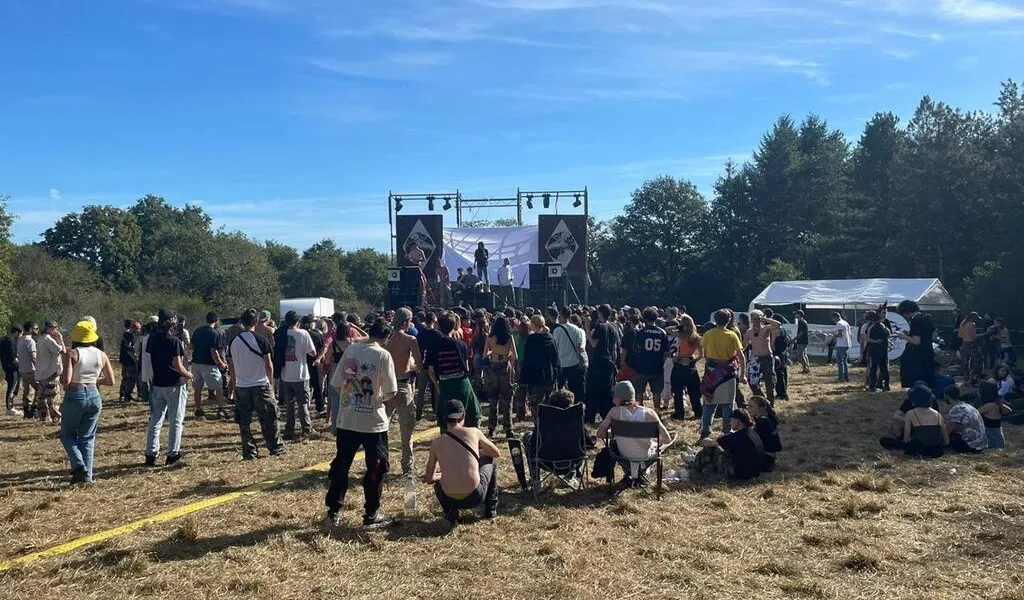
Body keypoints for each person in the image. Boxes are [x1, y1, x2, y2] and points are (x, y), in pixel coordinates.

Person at [323, 318, 397, 529]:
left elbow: (336, 384)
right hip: (373, 422)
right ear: (386, 337)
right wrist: (375, 399)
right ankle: (371, 512)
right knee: (376, 467)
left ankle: (333, 511)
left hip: (347, 419)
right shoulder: (383, 354)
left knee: (341, 466)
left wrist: (351, 398)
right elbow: (391, 391)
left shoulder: (351, 350)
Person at [422, 399, 501, 527]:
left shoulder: (436, 443)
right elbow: (495, 453)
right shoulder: (474, 432)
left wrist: (441, 475)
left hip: (449, 498)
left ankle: (450, 513)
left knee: (438, 481)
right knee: (491, 461)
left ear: (445, 419)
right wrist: (476, 453)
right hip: (475, 496)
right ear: (463, 416)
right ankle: (491, 509)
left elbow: (429, 478)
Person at [59, 321, 115, 483]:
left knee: (67, 434)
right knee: (87, 437)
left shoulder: (72, 353)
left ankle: (78, 465)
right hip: (94, 394)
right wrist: (97, 382)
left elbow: (67, 381)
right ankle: (87, 477)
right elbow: (111, 381)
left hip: (76, 394)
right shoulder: (101, 354)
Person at [229, 308, 284, 460]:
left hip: (242, 386)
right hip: (260, 384)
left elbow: (232, 368)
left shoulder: (234, 342)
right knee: (269, 419)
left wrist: (233, 386)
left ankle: (249, 452)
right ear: (255, 322)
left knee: (244, 422)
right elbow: (268, 365)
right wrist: (271, 383)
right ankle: (275, 448)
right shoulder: (261, 340)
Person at [596, 381, 672, 483]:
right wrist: (650, 439)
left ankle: (629, 473)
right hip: (644, 456)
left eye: (614, 397)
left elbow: (599, 434)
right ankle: (642, 473)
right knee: (655, 446)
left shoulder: (614, 412)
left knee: (614, 444)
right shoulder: (650, 413)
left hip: (623, 456)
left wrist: (618, 435)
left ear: (619, 397)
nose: (613, 401)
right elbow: (667, 439)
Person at [145, 310, 194, 467]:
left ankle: (151, 454)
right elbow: (177, 365)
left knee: (156, 420)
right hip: (174, 384)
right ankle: (172, 454)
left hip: (158, 383)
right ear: (173, 324)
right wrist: (189, 375)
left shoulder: (152, 339)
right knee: (176, 421)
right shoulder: (174, 342)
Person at [427, 312, 481, 429]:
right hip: (462, 382)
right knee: (470, 416)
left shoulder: (433, 345)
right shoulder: (460, 344)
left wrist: (437, 387)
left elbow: (431, 371)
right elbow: (466, 367)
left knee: (446, 417)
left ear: (439, 326)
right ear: (454, 326)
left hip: (445, 383)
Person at [384, 308, 421, 477]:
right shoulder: (410, 339)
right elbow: (419, 366)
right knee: (407, 430)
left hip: (385, 386)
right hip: (403, 386)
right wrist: (410, 364)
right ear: (407, 321)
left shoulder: (385, 338)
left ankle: (382, 462)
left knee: (381, 427)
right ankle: (407, 467)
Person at [700, 310, 747, 439]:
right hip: (728, 373)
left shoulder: (708, 334)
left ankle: (705, 432)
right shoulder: (732, 335)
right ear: (729, 320)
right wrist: (743, 374)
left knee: (709, 404)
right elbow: (741, 356)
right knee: (728, 406)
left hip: (711, 372)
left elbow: (704, 354)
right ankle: (727, 432)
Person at [694, 408, 764, 481]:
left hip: (741, 474)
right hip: (754, 472)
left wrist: (706, 439)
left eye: (731, 420)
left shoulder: (736, 436)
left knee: (711, 448)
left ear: (737, 421)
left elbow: (706, 443)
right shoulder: (752, 433)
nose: (730, 423)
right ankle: (697, 463)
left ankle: (694, 465)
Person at [882, 382, 946, 457]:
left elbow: (906, 439)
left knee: (885, 441)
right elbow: (946, 440)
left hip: (920, 449)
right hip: (937, 451)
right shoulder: (938, 414)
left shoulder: (911, 413)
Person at [281, 311, 317, 439]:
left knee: (289, 404)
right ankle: (306, 428)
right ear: (298, 322)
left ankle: (289, 428)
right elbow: (312, 352)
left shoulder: (281, 333)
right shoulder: (303, 333)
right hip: (300, 373)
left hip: (285, 373)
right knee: (303, 403)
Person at [629, 307, 670, 410]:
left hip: (642, 367)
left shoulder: (640, 332)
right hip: (657, 367)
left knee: (639, 392)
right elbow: (666, 352)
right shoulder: (662, 333)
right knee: (657, 392)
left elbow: (635, 349)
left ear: (645, 319)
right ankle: (656, 411)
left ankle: (640, 412)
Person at [191, 312, 229, 420]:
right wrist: (221, 363)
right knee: (218, 387)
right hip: (209, 364)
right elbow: (214, 351)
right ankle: (220, 409)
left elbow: (191, 346)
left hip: (196, 363)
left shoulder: (198, 331)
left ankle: (198, 410)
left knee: (197, 388)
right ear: (216, 321)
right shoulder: (214, 333)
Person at [484, 315, 517, 438]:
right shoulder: (509, 337)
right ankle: (508, 428)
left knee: (493, 399)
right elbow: (515, 355)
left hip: (493, 367)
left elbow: (485, 354)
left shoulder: (490, 337)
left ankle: (491, 428)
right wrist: (511, 366)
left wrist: (493, 352)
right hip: (505, 368)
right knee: (507, 399)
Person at [586, 304, 619, 425]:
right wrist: (614, 363)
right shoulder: (613, 327)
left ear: (600, 313)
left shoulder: (600, 326)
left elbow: (594, 343)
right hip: (609, 362)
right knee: (607, 391)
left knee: (593, 390)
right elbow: (614, 349)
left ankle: (590, 417)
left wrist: (587, 330)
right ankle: (607, 416)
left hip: (598, 362)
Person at [519, 314, 561, 410]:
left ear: (533, 324)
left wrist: (524, 378)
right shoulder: (550, 338)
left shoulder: (531, 339)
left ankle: (538, 424)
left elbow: (527, 360)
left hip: (535, 377)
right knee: (550, 405)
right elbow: (555, 359)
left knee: (536, 405)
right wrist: (556, 373)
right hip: (549, 375)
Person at [743, 310, 781, 404]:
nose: (755, 321)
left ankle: (770, 402)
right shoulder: (749, 332)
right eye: (753, 319)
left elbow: (778, 324)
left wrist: (764, 319)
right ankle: (762, 400)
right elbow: (743, 345)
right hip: (755, 358)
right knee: (752, 382)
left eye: (757, 319)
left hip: (767, 357)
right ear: (751, 320)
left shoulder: (766, 329)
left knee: (769, 382)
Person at [552, 306, 586, 410]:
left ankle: (559, 408)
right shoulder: (577, 330)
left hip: (561, 363)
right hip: (574, 363)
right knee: (575, 389)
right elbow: (579, 348)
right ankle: (576, 409)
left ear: (561, 316)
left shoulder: (557, 330)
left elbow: (555, 347)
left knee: (558, 389)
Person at [669, 314, 703, 421]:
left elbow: (667, 329)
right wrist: (694, 360)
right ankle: (698, 412)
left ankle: (679, 414)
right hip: (690, 364)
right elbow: (701, 355)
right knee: (694, 391)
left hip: (679, 363)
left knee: (678, 391)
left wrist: (678, 327)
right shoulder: (696, 337)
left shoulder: (680, 334)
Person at [898, 300, 935, 389]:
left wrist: (903, 336)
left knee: (917, 378)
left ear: (906, 312)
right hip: (928, 350)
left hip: (918, 355)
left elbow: (916, 341)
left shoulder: (916, 321)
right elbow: (934, 336)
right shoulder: (927, 318)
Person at [34, 320, 66, 423]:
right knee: (53, 397)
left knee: (42, 397)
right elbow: (63, 350)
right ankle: (56, 417)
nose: (56, 330)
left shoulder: (41, 339)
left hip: (42, 372)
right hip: (50, 372)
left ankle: (43, 418)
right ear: (49, 328)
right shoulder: (48, 340)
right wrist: (61, 340)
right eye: (55, 328)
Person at [942, 385, 987, 453]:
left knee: (949, 437)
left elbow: (947, 430)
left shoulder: (956, 409)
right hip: (981, 443)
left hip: (971, 446)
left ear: (947, 396)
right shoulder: (968, 406)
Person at [414, 312, 442, 421]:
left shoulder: (420, 333)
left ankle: (418, 412)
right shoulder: (437, 334)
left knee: (421, 390)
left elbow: (417, 349)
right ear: (434, 321)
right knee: (436, 389)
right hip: (435, 366)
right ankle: (437, 412)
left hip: (422, 365)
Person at [301, 315, 329, 419]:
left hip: (302, 363)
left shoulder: (299, 335)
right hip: (314, 362)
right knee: (317, 386)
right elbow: (322, 347)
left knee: (305, 387)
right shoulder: (316, 335)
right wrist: (320, 359)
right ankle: (320, 407)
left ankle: (305, 407)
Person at [748, 395, 781, 472]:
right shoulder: (768, 418)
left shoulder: (762, 422)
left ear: (762, 408)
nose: (748, 409)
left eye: (751, 406)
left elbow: (754, 443)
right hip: (770, 458)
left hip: (765, 459)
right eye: (748, 406)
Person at [978, 380, 1010, 449]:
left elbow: (974, 413)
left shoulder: (989, 406)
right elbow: (1009, 410)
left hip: (991, 441)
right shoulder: (996, 404)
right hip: (999, 440)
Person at [17, 321, 39, 419]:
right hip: (31, 370)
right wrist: (39, 368)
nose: (37, 330)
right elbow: (33, 357)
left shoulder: (20, 340)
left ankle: (26, 411)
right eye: (36, 328)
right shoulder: (31, 341)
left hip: (22, 370)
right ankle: (34, 409)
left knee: (26, 391)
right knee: (40, 389)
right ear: (30, 329)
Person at [866, 310, 892, 392]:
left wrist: (875, 341)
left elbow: (868, 339)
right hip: (883, 351)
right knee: (884, 369)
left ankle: (872, 386)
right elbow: (887, 336)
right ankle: (886, 386)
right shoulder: (883, 326)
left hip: (874, 351)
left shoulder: (871, 327)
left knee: (873, 368)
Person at [118, 320, 141, 403]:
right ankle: (126, 395)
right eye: (137, 329)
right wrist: (134, 357)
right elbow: (128, 348)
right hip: (129, 360)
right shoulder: (128, 335)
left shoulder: (128, 335)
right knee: (130, 378)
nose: (138, 331)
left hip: (126, 360)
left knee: (126, 378)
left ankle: (124, 395)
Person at [1, 326, 22, 416]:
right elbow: (13, 357)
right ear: (17, 332)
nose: (21, 336)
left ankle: (10, 407)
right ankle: (10, 408)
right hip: (12, 368)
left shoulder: (4, 341)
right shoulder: (11, 342)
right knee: (12, 388)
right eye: (20, 334)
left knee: (12, 387)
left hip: (6, 367)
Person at [958, 313, 982, 382]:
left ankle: (966, 377)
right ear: (973, 318)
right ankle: (974, 376)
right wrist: (985, 334)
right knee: (978, 360)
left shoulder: (962, 323)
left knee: (965, 362)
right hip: (971, 345)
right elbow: (973, 337)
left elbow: (960, 335)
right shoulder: (972, 324)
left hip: (964, 344)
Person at [831, 312, 852, 383]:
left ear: (835, 317)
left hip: (841, 344)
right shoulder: (845, 323)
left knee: (840, 362)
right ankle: (846, 377)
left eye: (833, 319)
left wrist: (834, 336)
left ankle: (841, 377)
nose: (833, 321)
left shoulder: (839, 324)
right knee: (844, 362)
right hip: (847, 343)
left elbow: (840, 334)